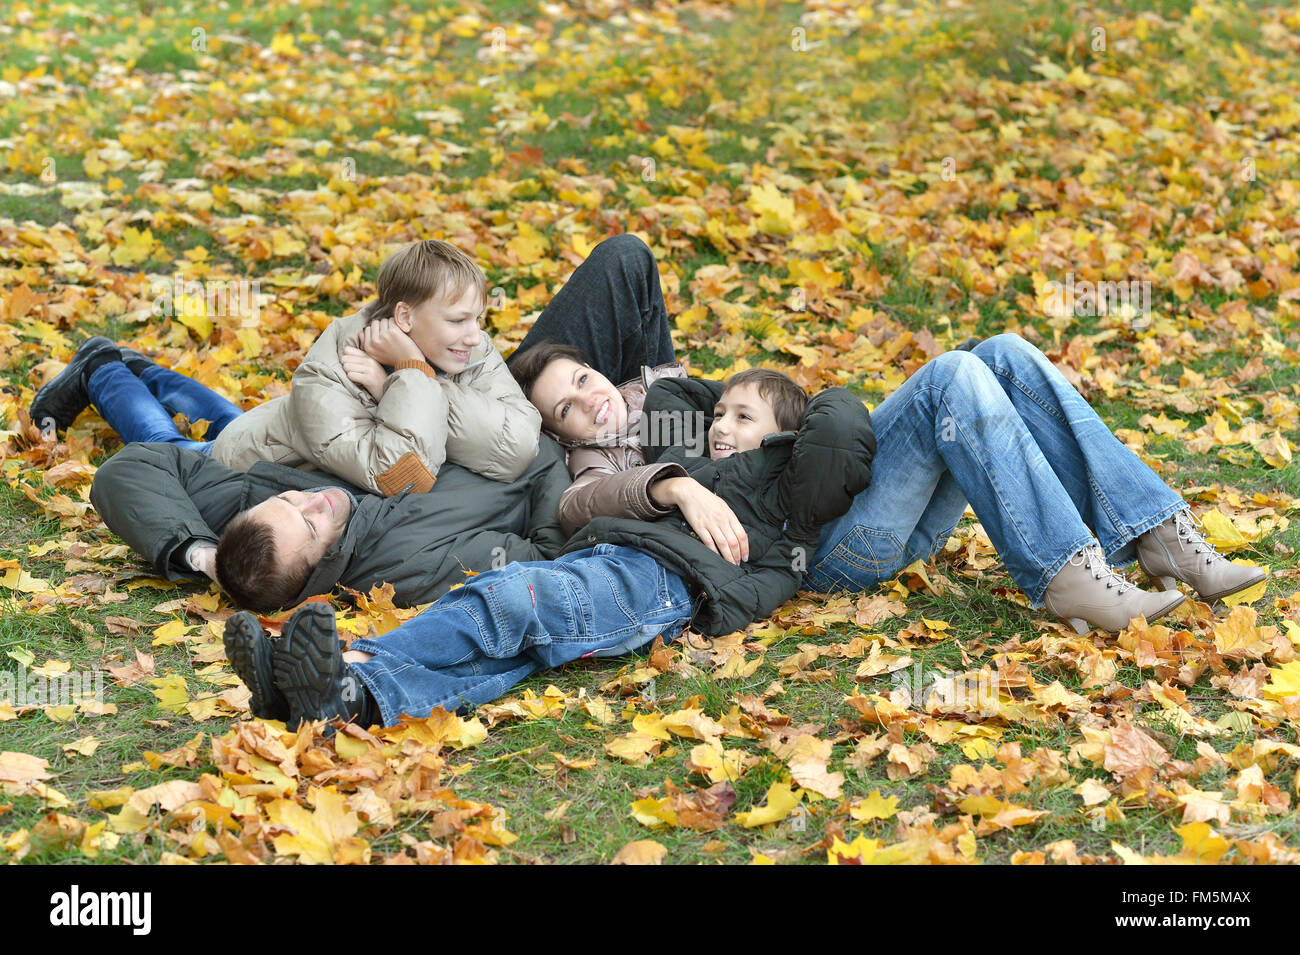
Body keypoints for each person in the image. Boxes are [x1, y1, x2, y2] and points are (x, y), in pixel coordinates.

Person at [221, 367, 876, 728]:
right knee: (508, 653)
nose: (721, 424)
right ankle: (345, 702)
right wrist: (731, 407)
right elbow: (674, 388)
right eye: (721, 412)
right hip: (615, 568)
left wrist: (789, 410)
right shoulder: (693, 459)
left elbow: (841, 426)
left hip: (657, 580)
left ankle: (350, 659)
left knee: (510, 600)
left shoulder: (787, 498)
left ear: (790, 440)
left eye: (743, 417)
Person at [32, 239, 541, 496]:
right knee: (168, 445)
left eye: (480, 318)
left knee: (235, 418)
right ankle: (102, 368)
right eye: (459, 319)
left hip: (275, 434)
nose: (478, 336)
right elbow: (399, 475)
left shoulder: (462, 345)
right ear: (404, 315)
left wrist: (400, 381)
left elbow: (515, 446)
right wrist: (411, 372)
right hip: (233, 466)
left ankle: (136, 365)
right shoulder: (331, 368)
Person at [88, 437, 571, 614]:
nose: (316, 500)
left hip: (481, 398)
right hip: (555, 443)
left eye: (290, 498)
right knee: (623, 258)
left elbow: (127, 468)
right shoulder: (411, 568)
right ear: (320, 570)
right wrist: (550, 451)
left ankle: (110, 367)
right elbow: (548, 555)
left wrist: (200, 553)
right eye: (312, 525)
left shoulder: (252, 523)